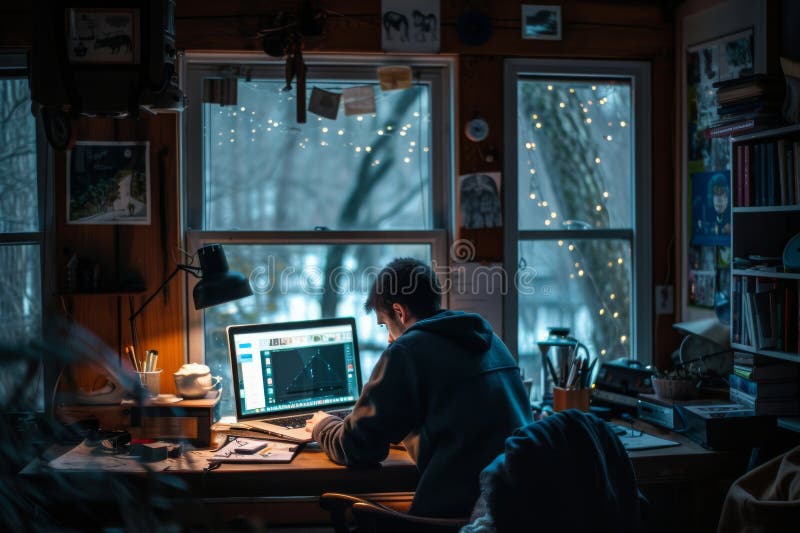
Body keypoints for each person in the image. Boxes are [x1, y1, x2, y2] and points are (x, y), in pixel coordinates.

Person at [305, 257, 532, 518]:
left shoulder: (407, 351)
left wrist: (321, 425)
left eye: (384, 325)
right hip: (514, 507)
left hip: (454, 516)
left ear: (399, 312)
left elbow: (358, 448)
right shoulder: (490, 340)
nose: (388, 337)